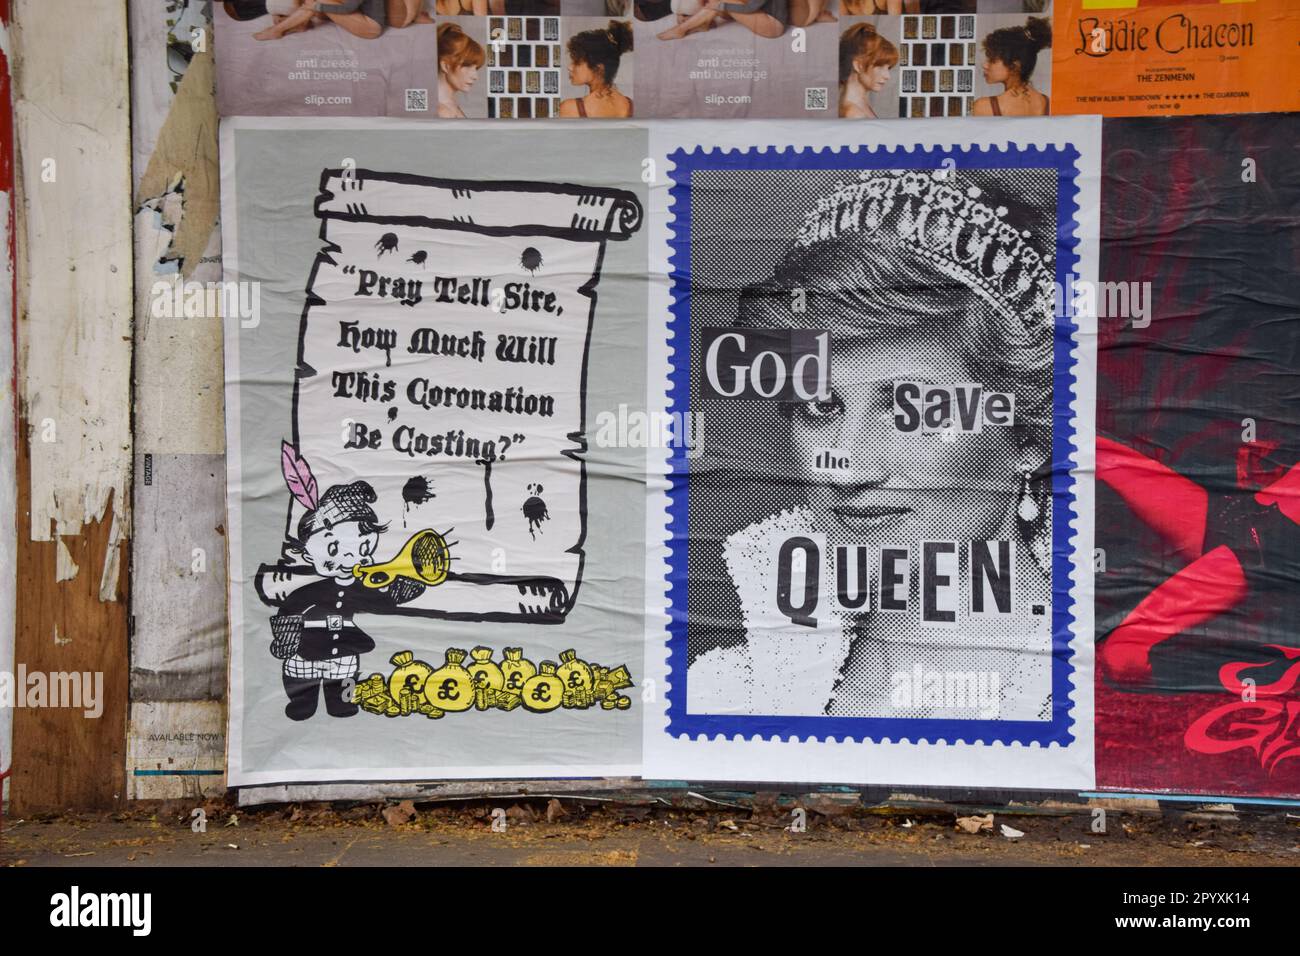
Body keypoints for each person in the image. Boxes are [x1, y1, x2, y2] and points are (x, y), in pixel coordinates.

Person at [687, 168, 1058, 720]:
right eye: (819, 407)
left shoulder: (1082, 685)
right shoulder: (733, 686)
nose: (847, 466)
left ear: (1027, 433)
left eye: (907, 408)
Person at [270, 479, 425, 720]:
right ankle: (302, 704)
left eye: (363, 550)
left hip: (343, 651)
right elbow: (290, 609)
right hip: (306, 651)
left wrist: (401, 589)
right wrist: (286, 638)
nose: (351, 559)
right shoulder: (307, 592)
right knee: (301, 679)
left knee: (343, 683)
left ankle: (340, 704)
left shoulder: (360, 587)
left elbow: (379, 602)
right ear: (308, 553)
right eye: (334, 550)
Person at [972, 16, 1051, 117]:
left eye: (992, 60)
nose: (985, 65)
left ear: (1014, 66)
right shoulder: (1045, 101)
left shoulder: (984, 107)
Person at [559, 21, 634, 118]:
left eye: (577, 62)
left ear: (598, 68)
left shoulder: (570, 108)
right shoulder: (631, 106)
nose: (569, 67)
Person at [657, 0, 833, 41]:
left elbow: (751, 7)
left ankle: (683, 29)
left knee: (720, 2)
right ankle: (699, 23)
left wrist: (723, 7)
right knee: (720, 2)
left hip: (773, 26)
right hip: (763, 15)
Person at [838, 22, 897, 118]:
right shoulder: (854, 114)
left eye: (888, 68)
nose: (887, 76)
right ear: (858, 66)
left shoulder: (859, 105)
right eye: (880, 66)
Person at [254, 0, 386, 40]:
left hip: (370, 28)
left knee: (318, 2)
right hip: (361, 17)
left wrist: (318, 6)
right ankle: (301, 24)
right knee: (313, 1)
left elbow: (348, 9)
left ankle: (276, 31)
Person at [437, 22, 484, 118]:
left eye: (476, 68)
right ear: (445, 66)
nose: (475, 76)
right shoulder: (442, 112)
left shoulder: (451, 107)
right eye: (467, 66)